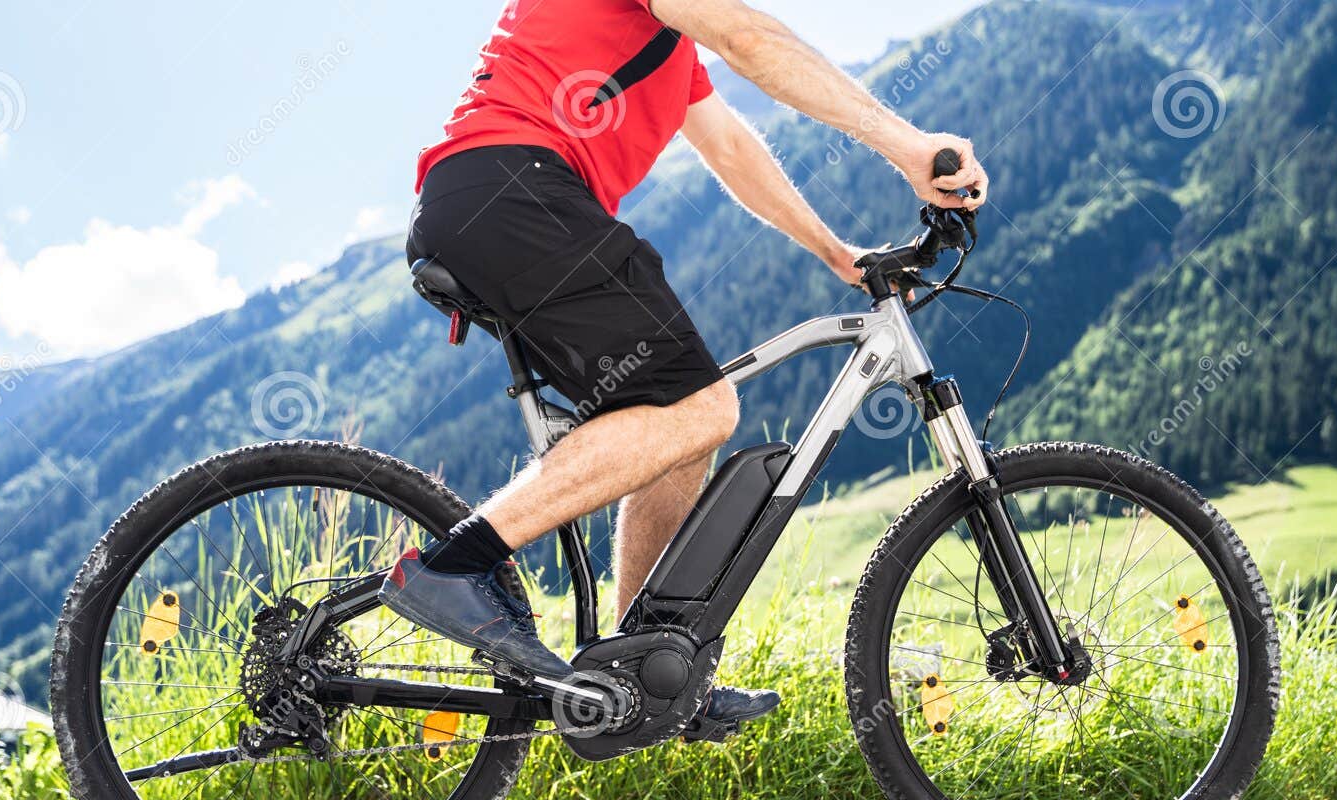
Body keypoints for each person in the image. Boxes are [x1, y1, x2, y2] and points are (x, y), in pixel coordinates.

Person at [384, 0, 990, 729]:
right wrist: (908, 146)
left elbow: (732, 147)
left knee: (682, 429)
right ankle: (456, 565)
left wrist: (837, 253)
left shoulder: (669, 55)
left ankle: (640, 675)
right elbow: (749, 39)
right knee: (702, 405)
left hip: (501, 197)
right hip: (514, 190)